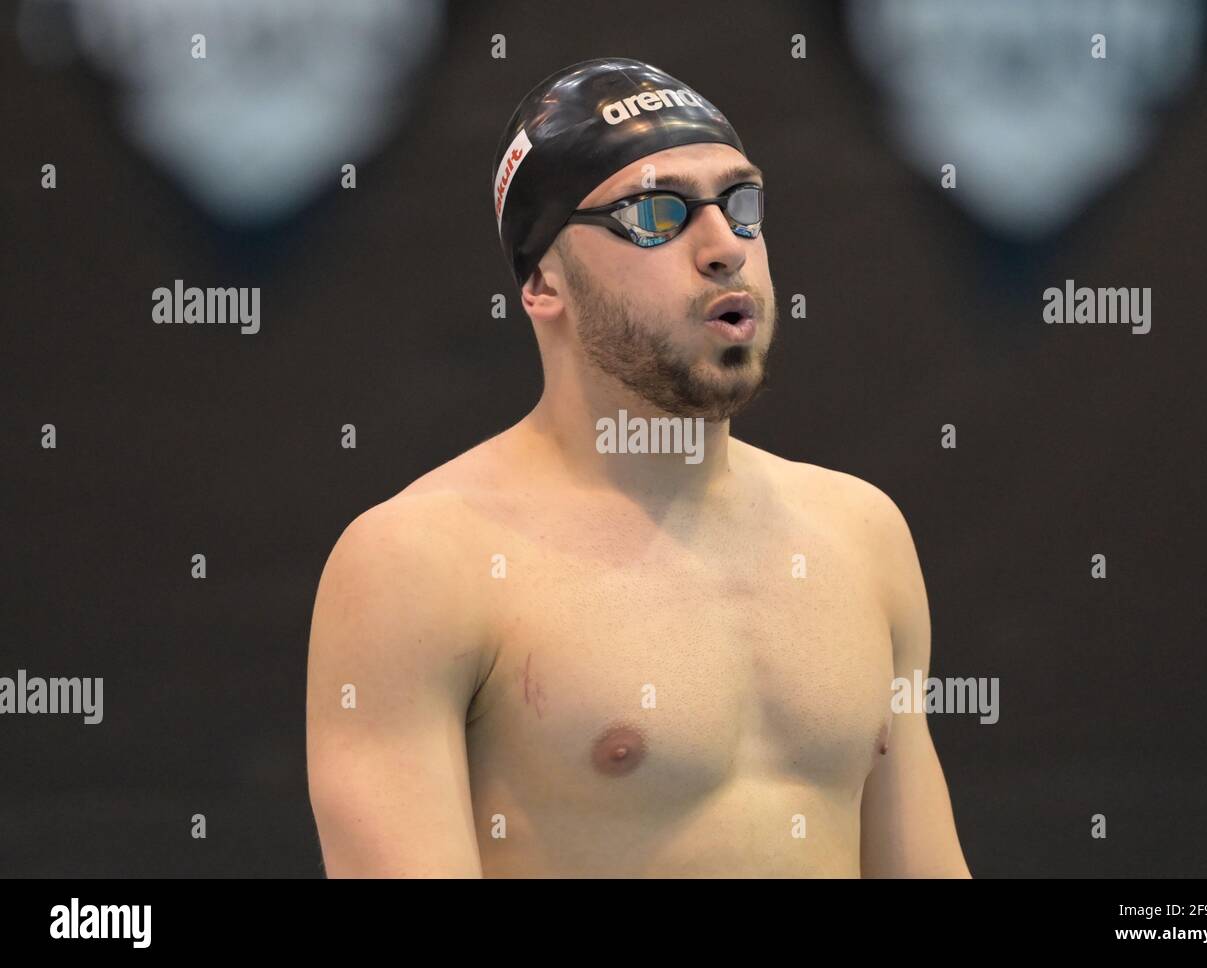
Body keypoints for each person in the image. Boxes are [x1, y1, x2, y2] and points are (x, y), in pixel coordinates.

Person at [306, 57, 970, 877]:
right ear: (544, 281)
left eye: (741, 204)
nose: (725, 246)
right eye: (655, 213)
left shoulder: (860, 534)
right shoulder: (417, 562)